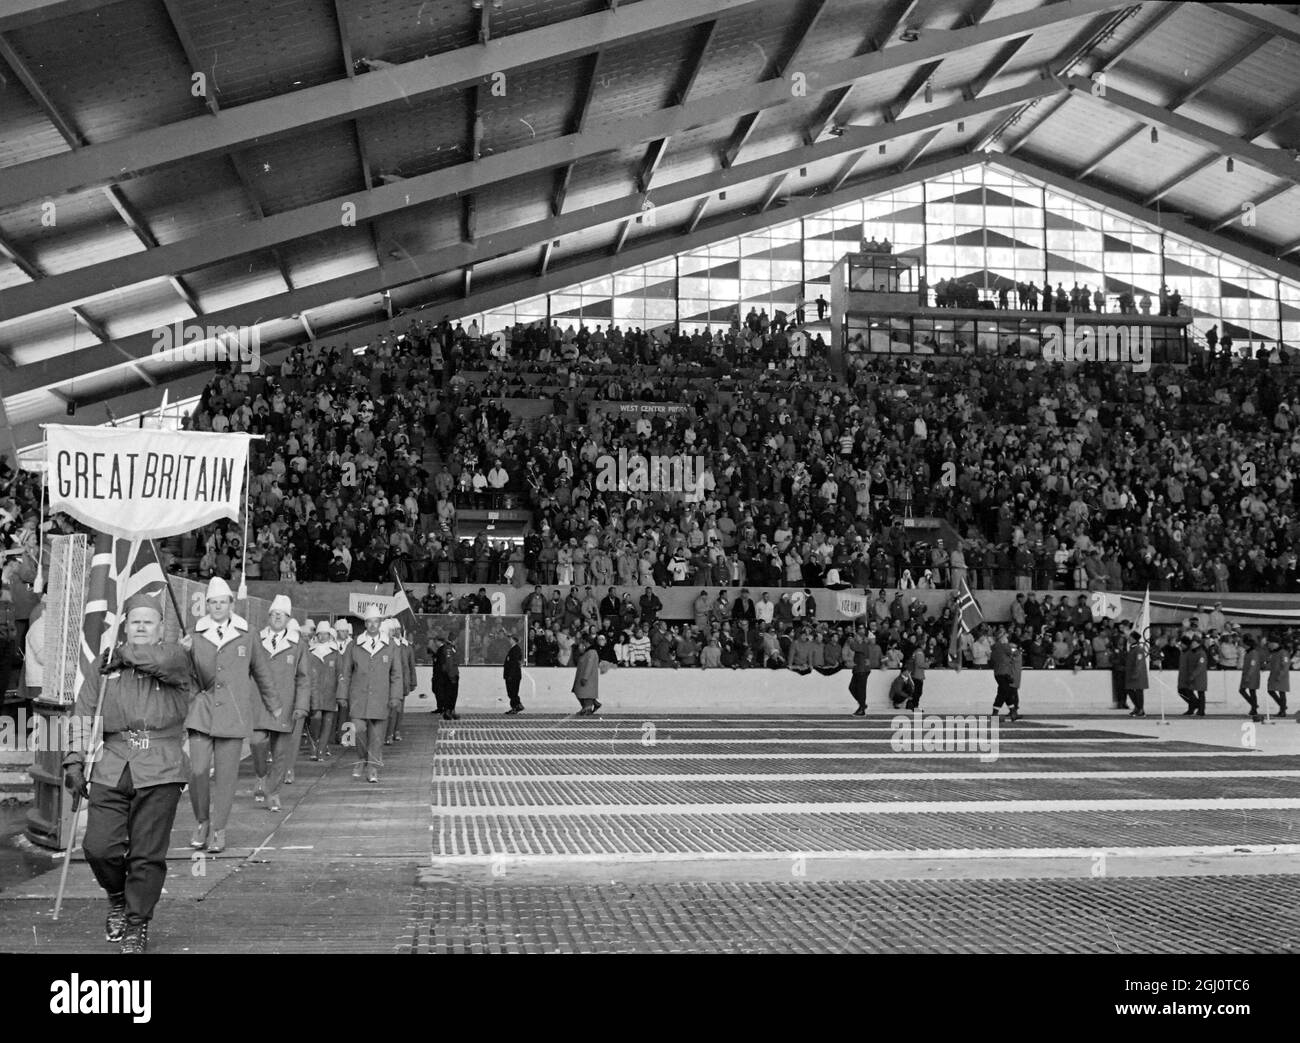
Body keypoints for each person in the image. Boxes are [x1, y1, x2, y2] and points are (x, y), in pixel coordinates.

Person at [62, 591, 193, 954]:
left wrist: (120, 654)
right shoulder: (104, 667)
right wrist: (74, 759)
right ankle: (117, 896)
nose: (140, 626)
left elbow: (165, 661)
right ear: (124, 625)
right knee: (98, 846)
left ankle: (136, 924)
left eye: (147, 621)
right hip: (112, 762)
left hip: (161, 766)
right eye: (134, 620)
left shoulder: (175, 657)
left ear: (160, 628)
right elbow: (83, 713)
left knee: (146, 854)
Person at [185, 577, 281, 855]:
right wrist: (185, 653)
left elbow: (262, 671)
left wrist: (273, 703)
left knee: (226, 776)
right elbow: (187, 674)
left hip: (234, 714)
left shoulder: (247, 634)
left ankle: (219, 828)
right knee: (198, 770)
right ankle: (202, 821)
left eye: (222, 602)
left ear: (231, 603)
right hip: (201, 712)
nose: (217, 607)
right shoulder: (194, 634)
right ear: (207, 605)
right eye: (212, 603)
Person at [250, 594, 309, 813]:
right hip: (259, 702)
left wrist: (301, 706)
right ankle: (260, 775)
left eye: (281, 615)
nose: (277, 617)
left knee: (280, 753)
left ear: (288, 618)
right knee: (257, 742)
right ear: (268, 616)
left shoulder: (298, 645)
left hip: (285, 706)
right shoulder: (255, 638)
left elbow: (303, 678)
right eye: (274, 614)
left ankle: (273, 793)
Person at [338, 605, 402, 783]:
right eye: (369, 622)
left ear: (380, 623)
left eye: (376, 622)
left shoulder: (390, 645)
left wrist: (396, 696)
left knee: (377, 734)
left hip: (381, 696)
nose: (373, 625)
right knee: (357, 729)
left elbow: (396, 673)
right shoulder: (354, 644)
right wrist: (342, 694)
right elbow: (346, 672)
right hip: (358, 695)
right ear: (365, 623)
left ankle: (372, 766)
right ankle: (361, 759)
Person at [306, 620, 342, 759]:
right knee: (316, 718)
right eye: (320, 634)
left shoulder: (335, 653)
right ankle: (315, 743)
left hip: (330, 692)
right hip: (314, 693)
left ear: (330, 635)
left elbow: (340, 674)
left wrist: (340, 693)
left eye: (325, 634)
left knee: (328, 722)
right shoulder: (310, 652)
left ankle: (320, 750)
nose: (322, 636)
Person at [990, 630, 1020, 722]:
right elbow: (1015, 653)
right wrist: (1015, 648)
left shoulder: (996, 647)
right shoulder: (1003, 646)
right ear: (1001, 638)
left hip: (999, 673)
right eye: (1005, 637)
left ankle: (1012, 712)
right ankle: (995, 714)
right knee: (1003, 693)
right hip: (1004, 673)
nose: (1007, 638)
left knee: (1006, 692)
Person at [572, 635, 601, 715]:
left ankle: (587, 708)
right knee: (582, 693)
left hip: (587, 678)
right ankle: (591, 705)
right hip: (584, 677)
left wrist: (585, 677)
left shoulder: (591, 652)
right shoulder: (587, 652)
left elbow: (589, 666)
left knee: (586, 694)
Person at [438, 629, 461, 720]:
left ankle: (452, 710)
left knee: (454, 694)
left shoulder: (452, 647)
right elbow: (449, 663)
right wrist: (451, 676)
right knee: (449, 694)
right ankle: (448, 711)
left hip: (454, 673)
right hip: (451, 675)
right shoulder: (448, 648)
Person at [1238, 635, 1262, 722]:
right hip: (1248, 675)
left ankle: (1254, 707)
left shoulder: (1253, 653)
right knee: (1246, 691)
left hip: (1252, 676)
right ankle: (1254, 705)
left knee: (1251, 691)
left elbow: (1253, 665)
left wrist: (1248, 676)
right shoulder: (1248, 653)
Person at [1124, 631, 1148, 718]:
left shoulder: (1138, 649)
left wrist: (1136, 674)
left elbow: (1139, 663)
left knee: (1138, 691)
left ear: (1134, 639)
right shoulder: (1133, 648)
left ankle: (1140, 709)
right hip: (1132, 673)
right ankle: (1137, 707)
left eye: (1130, 637)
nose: (1128, 639)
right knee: (1130, 690)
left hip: (1137, 674)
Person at [1265, 637, 1289, 717]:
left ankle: (1282, 711)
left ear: (1275, 644)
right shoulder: (1274, 653)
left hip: (1281, 676)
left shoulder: (1283, 653)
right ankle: (1283, 707)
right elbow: (1271, 664)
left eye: (1270, 643)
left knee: (1282, 692)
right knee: (1270, 690)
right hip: (1274, 675)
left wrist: (1280, 675)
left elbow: (1285, 665)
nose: (1269, 645)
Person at [503, 631, 524, 714]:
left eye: (511, 639)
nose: (509, 640)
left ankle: (516, 706)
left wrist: (510, 675)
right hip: (512, 674)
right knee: (511, 692)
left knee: (513, 692)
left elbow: (514, 663)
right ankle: (516, 705)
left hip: (513, 675)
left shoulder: (516, 649)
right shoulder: (513, 649)